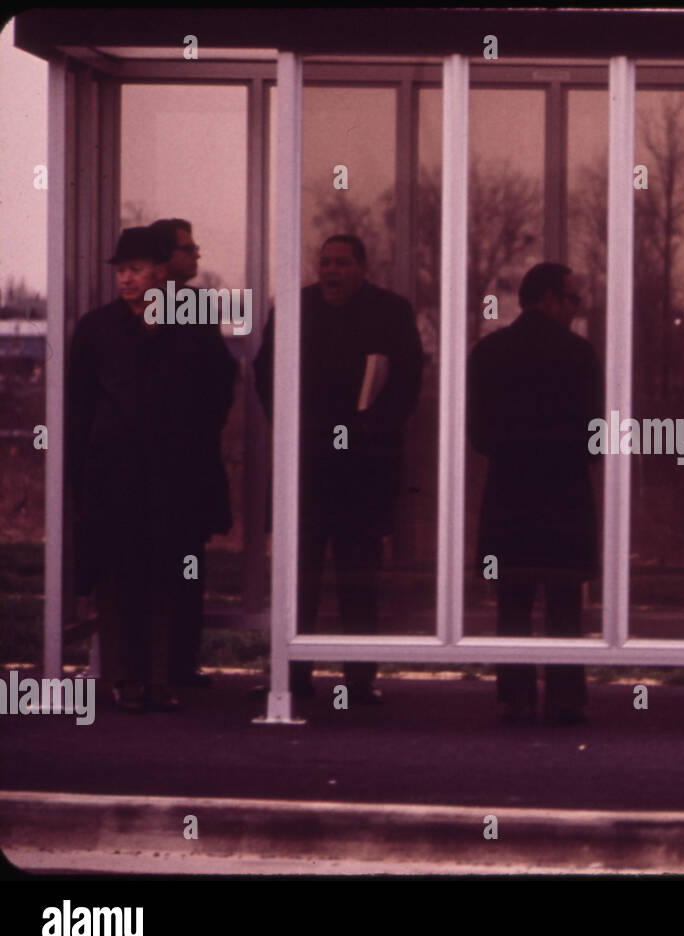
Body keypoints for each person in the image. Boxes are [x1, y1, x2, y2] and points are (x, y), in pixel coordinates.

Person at [67, 227, 232, 712]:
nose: (126, 280)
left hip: (172, 472)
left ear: (161, 272)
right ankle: (124, 678)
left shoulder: (194, 322)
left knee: (165, 576)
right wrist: (82, 470)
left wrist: (193, 439)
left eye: (135, 270)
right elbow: (78, 405)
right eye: (121, 271)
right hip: (113, 474)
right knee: (117, 577)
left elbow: (220, 386)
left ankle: (158, 680)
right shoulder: (97, 327)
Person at [254, 234, 424, 705]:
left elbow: (409, 377)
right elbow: (266, 374)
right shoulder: (294, 307)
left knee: (359, 576)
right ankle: (294, 675)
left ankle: (359, 677)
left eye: (343, 264)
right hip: (305, 465)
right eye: (325, 262)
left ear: (363, 267)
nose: (332, 271)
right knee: (298, 574)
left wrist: (372, 426)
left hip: (363, 467)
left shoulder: (391, 311)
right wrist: (296, 429)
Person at [466, 262, 603, 725]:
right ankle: (565, 696)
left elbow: (480, 435)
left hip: (510, 491)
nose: (576, 308)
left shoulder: (488, 352)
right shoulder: (579, 354)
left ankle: (515, 695)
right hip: (564, 492)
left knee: (513, 599)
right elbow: (593, 435)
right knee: (564, 600)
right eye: (572, 299)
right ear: (548, 298)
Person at [148, 218, 237, 689]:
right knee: (173, 563)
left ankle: (175, 662)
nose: (197, 255)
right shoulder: (178, 310)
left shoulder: (194, 308)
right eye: (189, 248)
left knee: (185, 563)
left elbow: (221, 379)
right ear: (165, 258)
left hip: (184, 462)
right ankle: (164, 664)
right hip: (172, 462)